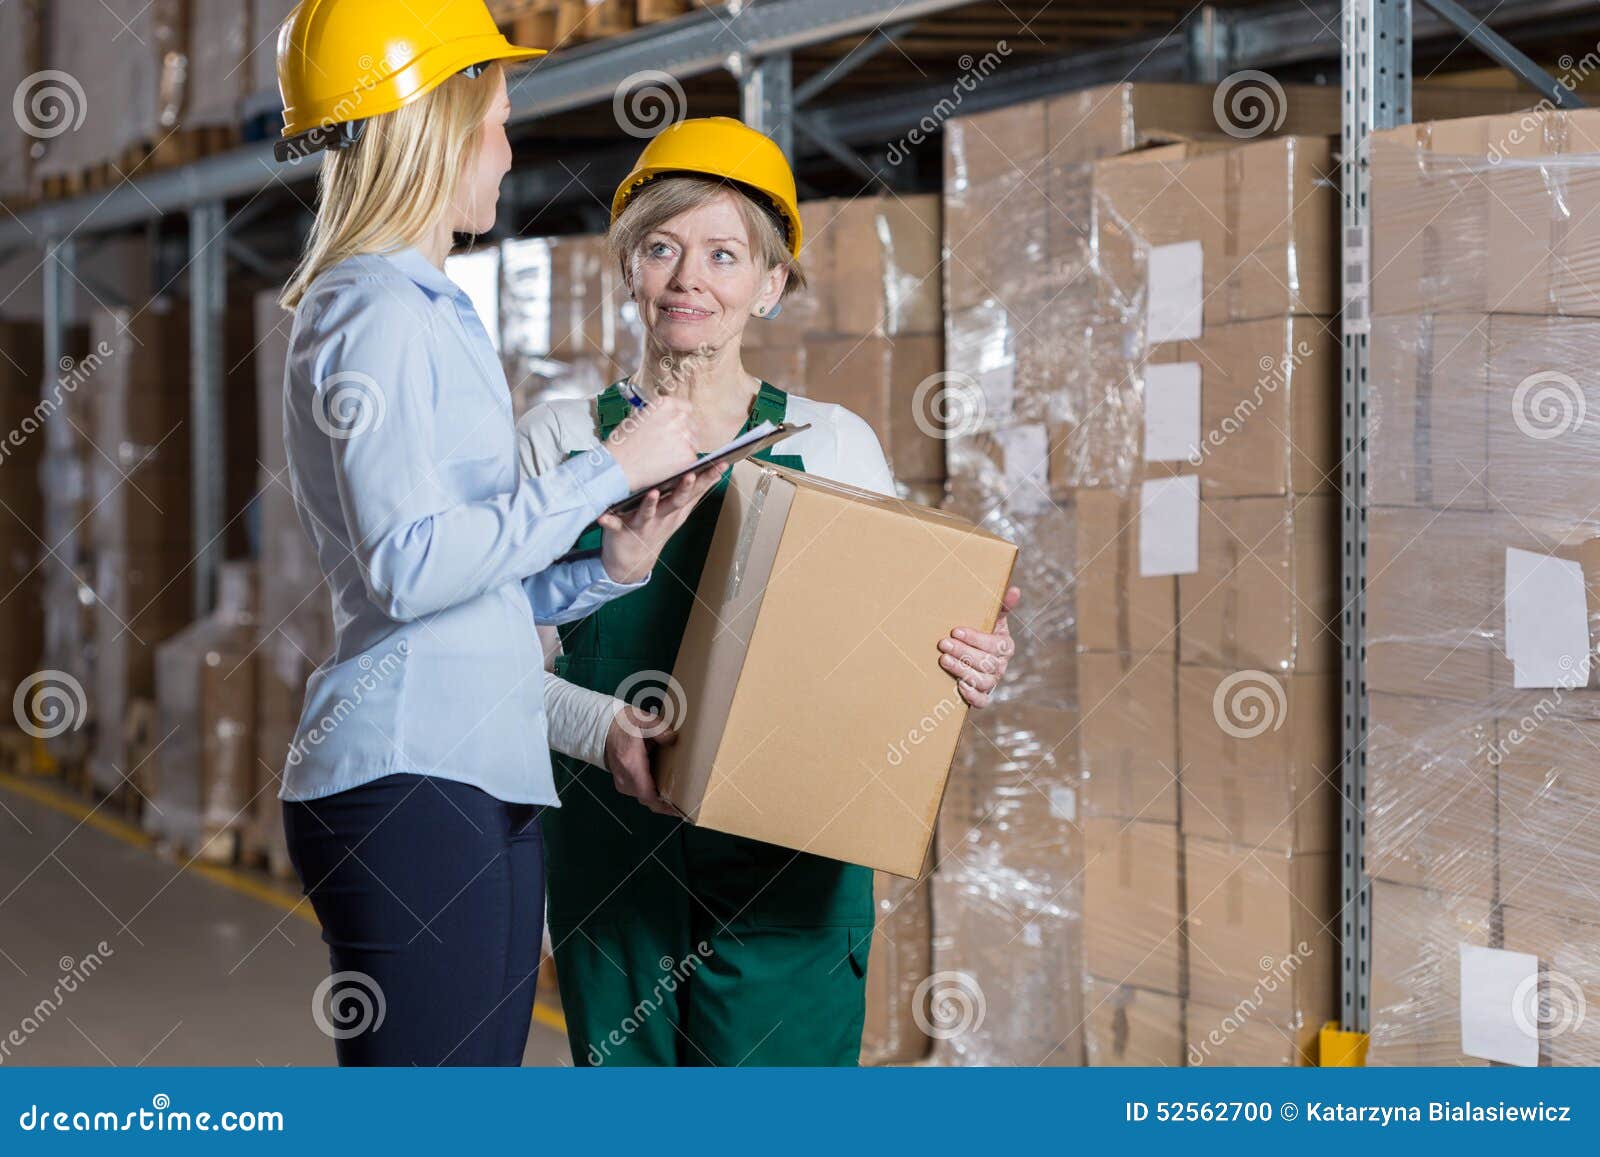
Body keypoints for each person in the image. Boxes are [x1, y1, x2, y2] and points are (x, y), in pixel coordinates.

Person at [518, 116, 1021, 1066]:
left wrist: (965, 660)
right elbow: (493, 664)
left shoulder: (832, 445)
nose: (689, 280)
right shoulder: (560, 444)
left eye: (724, 254)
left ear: (772, 282)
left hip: (792, 858)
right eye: (661, 248)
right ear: (628, 267)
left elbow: (903, 644)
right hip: (614, 850)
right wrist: (601, 729)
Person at [270, 0, 713, 1066]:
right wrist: (608, 465)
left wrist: (601, 569)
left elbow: (459, 580)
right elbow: (406, 565)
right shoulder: (370, 306)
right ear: (435, 121)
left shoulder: (423, 304)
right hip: (411, 779)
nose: (510, 151)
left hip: (477, 770)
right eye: (499, 118)